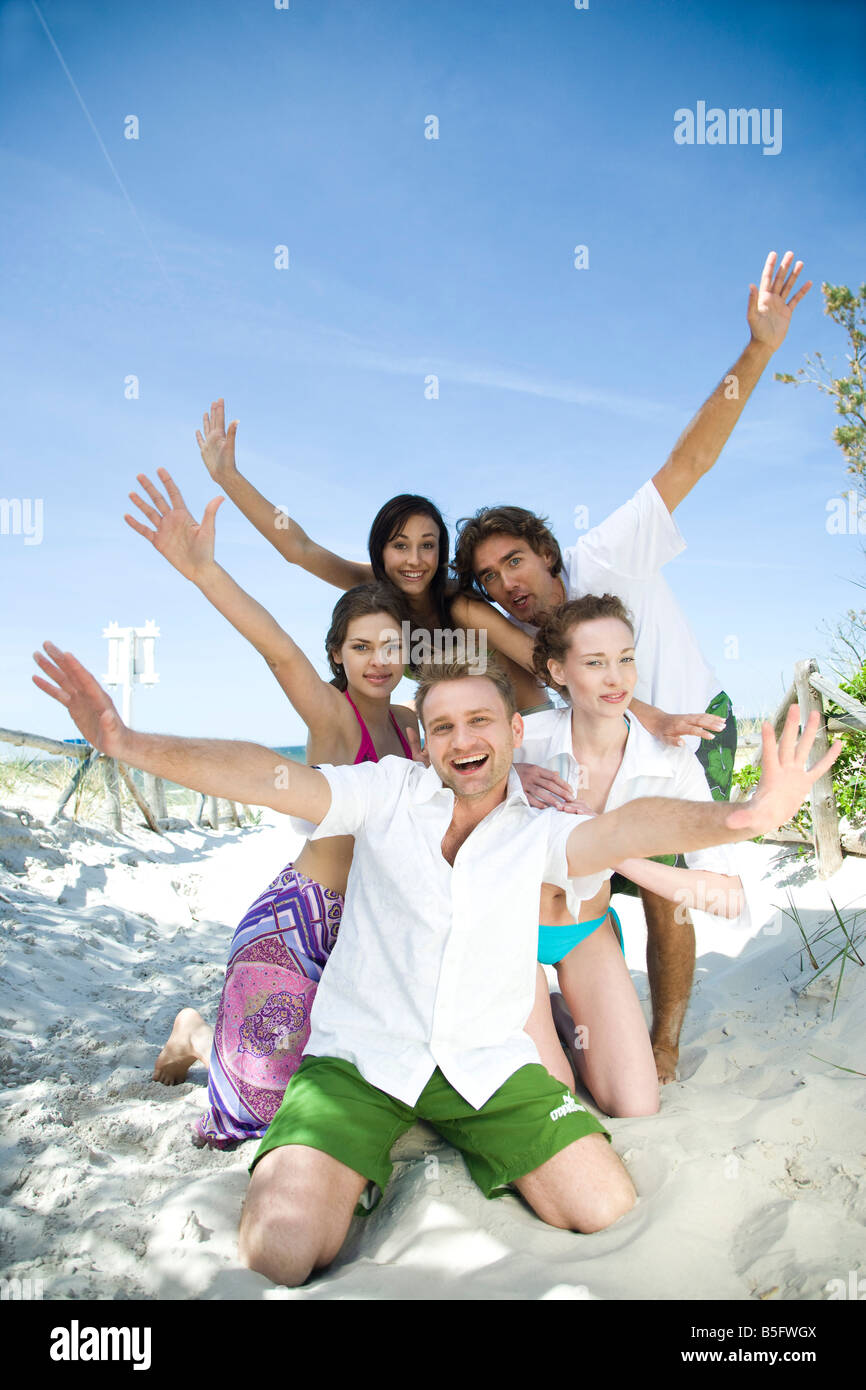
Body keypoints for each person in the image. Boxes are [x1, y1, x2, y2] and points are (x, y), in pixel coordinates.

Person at [32, 644, 839, 1284]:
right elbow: (269, 775)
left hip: (486, 1063)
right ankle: (357, 1136)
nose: (464, 741)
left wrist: (743, 816)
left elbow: (631, 825)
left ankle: (428, 1132)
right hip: (360, 1060)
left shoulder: (539, 830)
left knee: (605, 1204)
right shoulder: (385, 794)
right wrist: (127, 742)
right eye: (444, 726)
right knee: (278, 1250)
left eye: (481, 721)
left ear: (515, 732)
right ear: (424, 741)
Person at [452, 249, 812, 1080]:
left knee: (663, 892)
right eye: (490, 580)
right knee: (572, 875)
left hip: (694, 724)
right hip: (605, 740)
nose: (507, 584)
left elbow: (689, 464)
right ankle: (581, 1023)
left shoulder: (605, 555)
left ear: (546, 551)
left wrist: (757, 348)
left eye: (515, 562)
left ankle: (667, 1038)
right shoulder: (533, 642)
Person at [124, 468, 418, 1145]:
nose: (379, 659)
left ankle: (215, 1041)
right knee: (251, 1120)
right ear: (338, 655)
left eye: (392, 645)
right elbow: (278, 650)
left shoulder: (412, 724)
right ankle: (193, 1034)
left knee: (343, 1086)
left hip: (368, 930)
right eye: (361, 646)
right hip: (299, 924)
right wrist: (205, 571)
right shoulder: (333, 716)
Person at [518, 594, 744, 1114]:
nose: (616, 677)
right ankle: (543, 1015)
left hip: (586, 931)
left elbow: (725, 896)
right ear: (558, 671)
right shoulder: (521, 740)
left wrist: (615, 848)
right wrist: (508, 777)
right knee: (554, 1095)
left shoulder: (672, 764)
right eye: (595, 663)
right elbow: (430, 784)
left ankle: (562, 1012)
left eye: (626, 658)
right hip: (512, 932)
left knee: (635, 1104)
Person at [193, 399, 552, 711]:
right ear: (380, 551)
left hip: (528, 722)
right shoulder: (375, 593)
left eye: (427, 545)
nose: (414, 560)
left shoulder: (459, 603)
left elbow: (538, 660)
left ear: (440, 551)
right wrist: (228, 477)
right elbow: (298, 549)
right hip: (471, 736)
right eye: (400, 545)